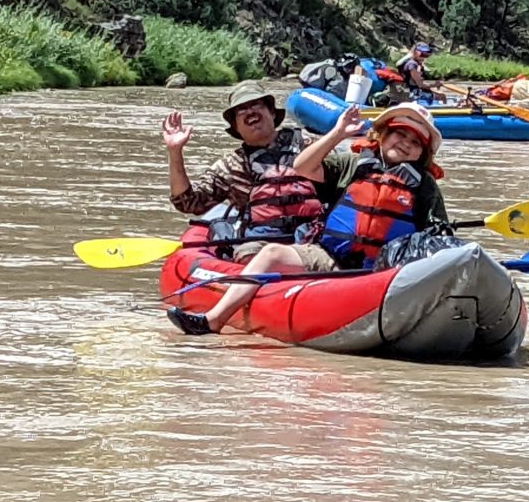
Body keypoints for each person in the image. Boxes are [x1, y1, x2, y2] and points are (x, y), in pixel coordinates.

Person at [167, 103, 448, 336]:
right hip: (329, 256)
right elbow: (303, 167)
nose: (406, 144)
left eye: (415, 143)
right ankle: (213, 320)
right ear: (382, 136)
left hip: (384, 268)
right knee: (271, 253)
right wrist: (338, 133)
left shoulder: (423, 186)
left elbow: (439, 236)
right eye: (400, 135)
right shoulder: (352, 165)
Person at [163, 81, 357, 258]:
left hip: (313, 236)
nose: (250, 112)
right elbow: (188, 203)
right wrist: (175, 151)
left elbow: (349, 175)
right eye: (241, 110)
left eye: (256, 105)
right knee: (249, 256)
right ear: (236, 127)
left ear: (272, 112)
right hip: (260, 244)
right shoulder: (231, 166)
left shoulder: (309, 144)